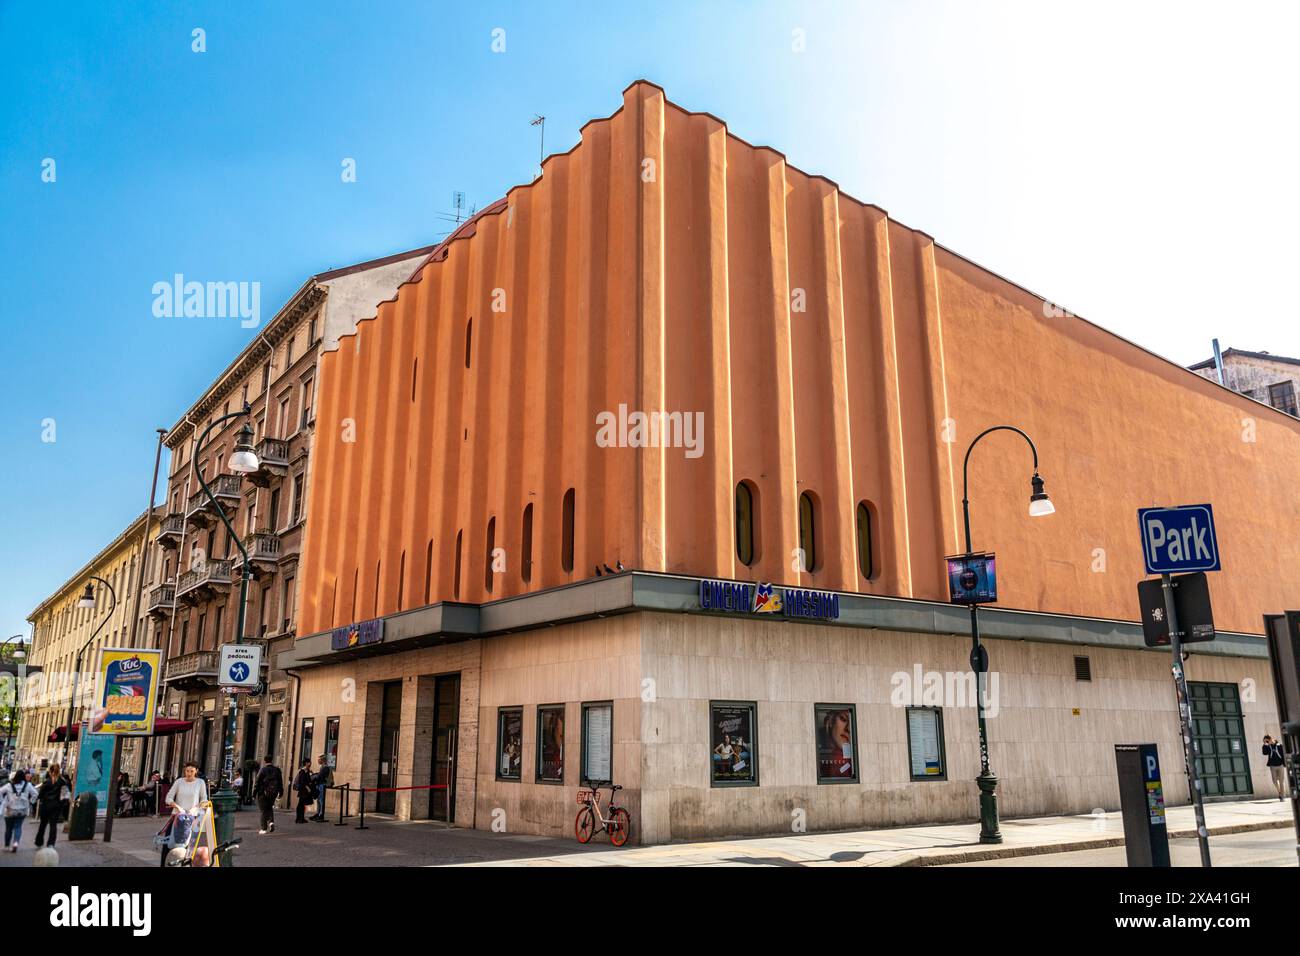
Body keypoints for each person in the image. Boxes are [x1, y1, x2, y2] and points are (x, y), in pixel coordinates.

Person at [166, 761, 209, 853]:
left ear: (196, 771)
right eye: (187, 771)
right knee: (172, 845)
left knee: (190, 847)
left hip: (193, 818)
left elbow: (204, 800)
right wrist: (177, 807)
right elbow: (168, 798)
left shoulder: (200, 782)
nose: (189, 773)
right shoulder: (179, 782)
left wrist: (195, 808)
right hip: (177, 817)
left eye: (192, 771)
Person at [34, 764, 70, 849]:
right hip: (56, 806)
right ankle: (51, 843)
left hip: (46, 805)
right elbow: (65, 795)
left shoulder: (47, 782)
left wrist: (42, 799)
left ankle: (39, 842)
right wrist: (61, 804)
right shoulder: (62, 781)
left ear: (50, 771)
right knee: (53, 825)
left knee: (43, 824)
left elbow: (40, 795)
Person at [1, 770, 38, 852]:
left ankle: (7, 846)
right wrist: (31, 802)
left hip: (10, 810)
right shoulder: (28, 785)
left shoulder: (9, 785)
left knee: (8, 828)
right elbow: (35, 794)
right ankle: (15, 844)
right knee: (18, 827)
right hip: (22, 810)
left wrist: (3, 801)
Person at [254, 754, 283, 834]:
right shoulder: (277, 770)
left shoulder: (262, 770)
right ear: (272, 760)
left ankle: (263, 828)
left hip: (263, 793)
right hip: (273, 792)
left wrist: (254, 794)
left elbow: (257, 782)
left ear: (265, 761)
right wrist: (281, 792)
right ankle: (271, 822)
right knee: (269, 807)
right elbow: (280, 782)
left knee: (263, 810)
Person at [1263, 735, 1287, 800]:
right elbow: (1264, 753)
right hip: (1272, 766)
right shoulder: (1268, 746)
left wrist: (1285, 764)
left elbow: (1283, 754)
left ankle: (1282, 796)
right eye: (1267, 741)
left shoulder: (1279, 745)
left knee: (1281, 781)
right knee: (1274, 781)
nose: (1268, 742)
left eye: (1268, 740)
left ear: (1271, 739)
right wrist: (1265, 744)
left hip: (1280, 765)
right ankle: (1279, 792)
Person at [311, 755, 334, 822]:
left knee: (321, 800)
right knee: (319, 800)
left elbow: (320, 777)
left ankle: (321, 814)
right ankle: (318, 813)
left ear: (322, 760)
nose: (318, 761)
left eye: (319, 760)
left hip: (322, 785)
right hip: (319, 784)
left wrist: (314, 777)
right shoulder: (322, 767)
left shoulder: (325, 768)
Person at [292, 759, 315, 823]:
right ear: (306, 763)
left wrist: (311, 774)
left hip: (304, 790)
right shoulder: (303, 771)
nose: (310, 764)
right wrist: (308, 788)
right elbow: (302, 781)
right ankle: (299, 818)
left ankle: (301, 818)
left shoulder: (307, 771)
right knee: (301, 805)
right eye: (309, 762)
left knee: (302, 804)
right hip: (303, 790)